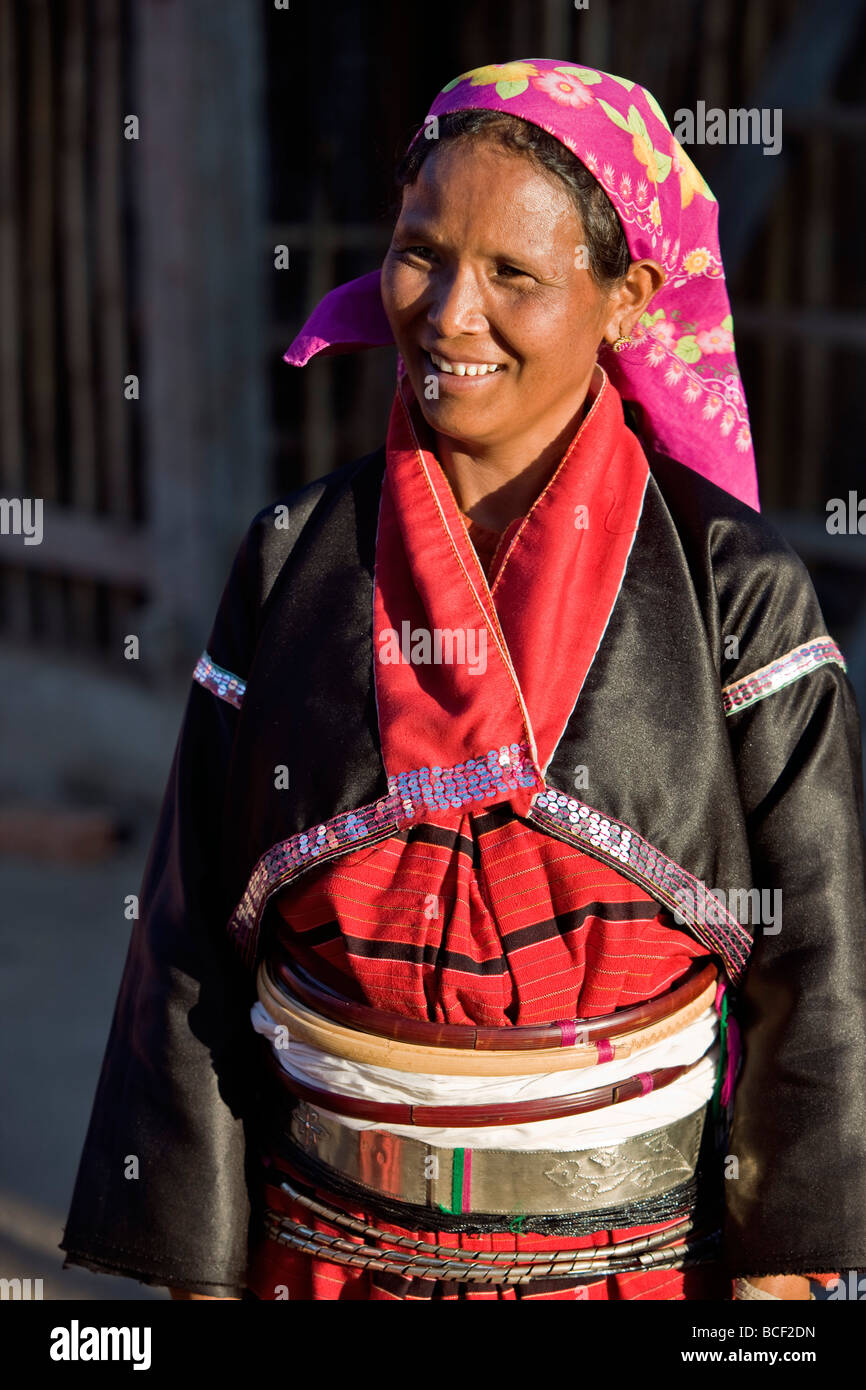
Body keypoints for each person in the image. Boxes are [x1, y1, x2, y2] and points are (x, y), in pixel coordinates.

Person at [61, 59, 866, 1302]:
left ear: (624, 298)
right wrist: (200, 1273)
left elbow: (819, 961)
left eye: (513, 276)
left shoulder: (730, 587)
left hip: (638, 1272)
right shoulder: (292, 561)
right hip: (321, 1263)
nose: (446, 313)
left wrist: (779, 1281)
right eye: (421, 252)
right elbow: (187, 940)